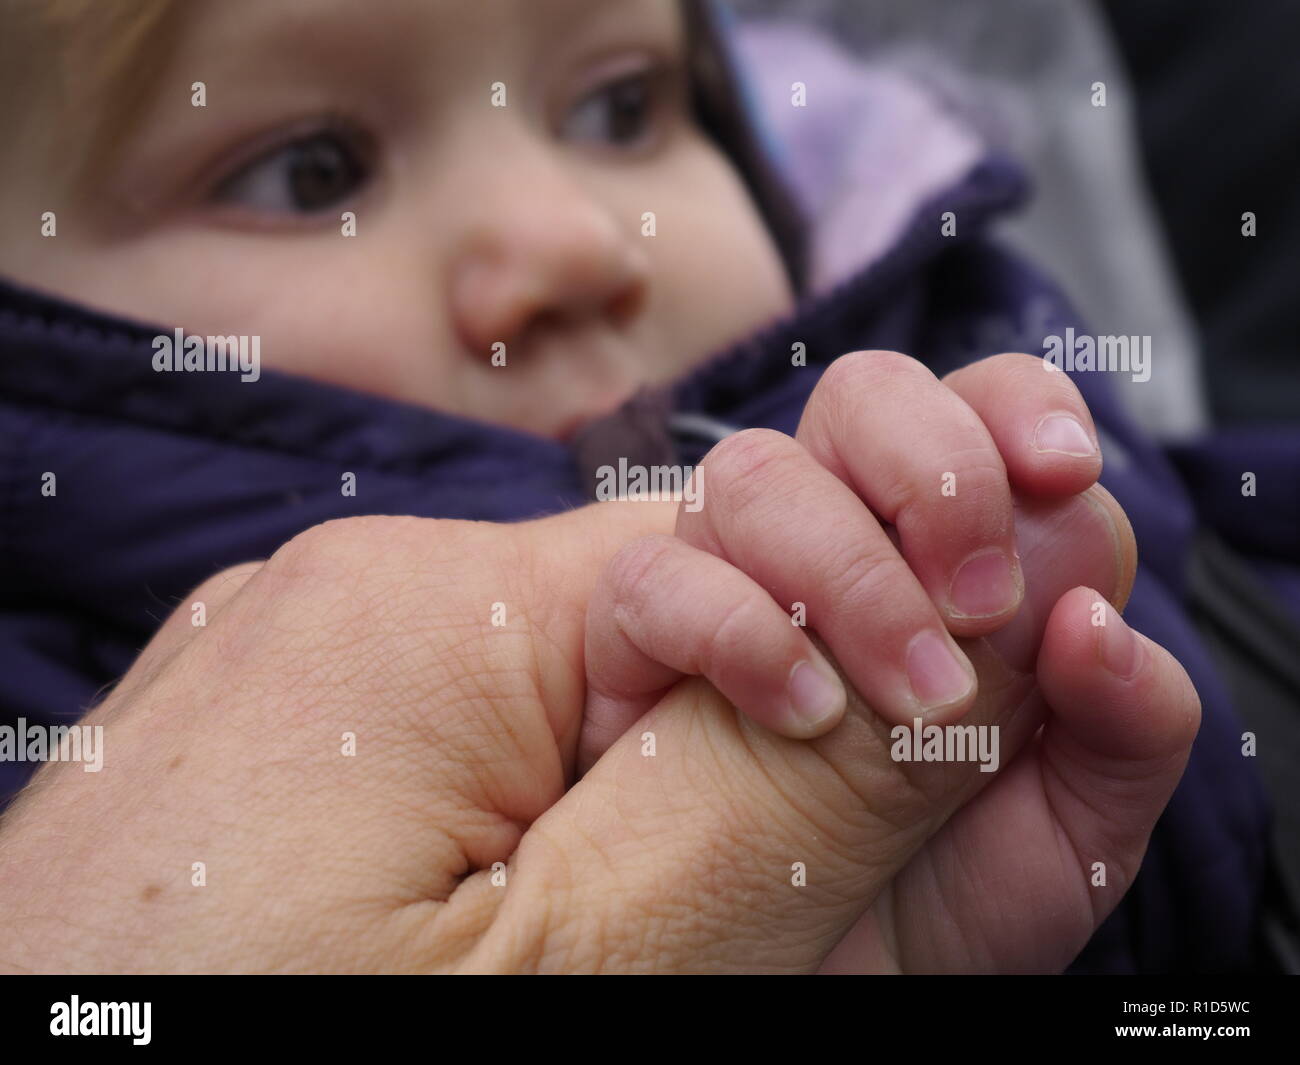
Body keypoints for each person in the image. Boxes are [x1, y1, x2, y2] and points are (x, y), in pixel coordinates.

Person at [0, 0, 1268, 971]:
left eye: (620, 107)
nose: (575, 242)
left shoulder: (978, 361)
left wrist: (1028, 588)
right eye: (312, 175)